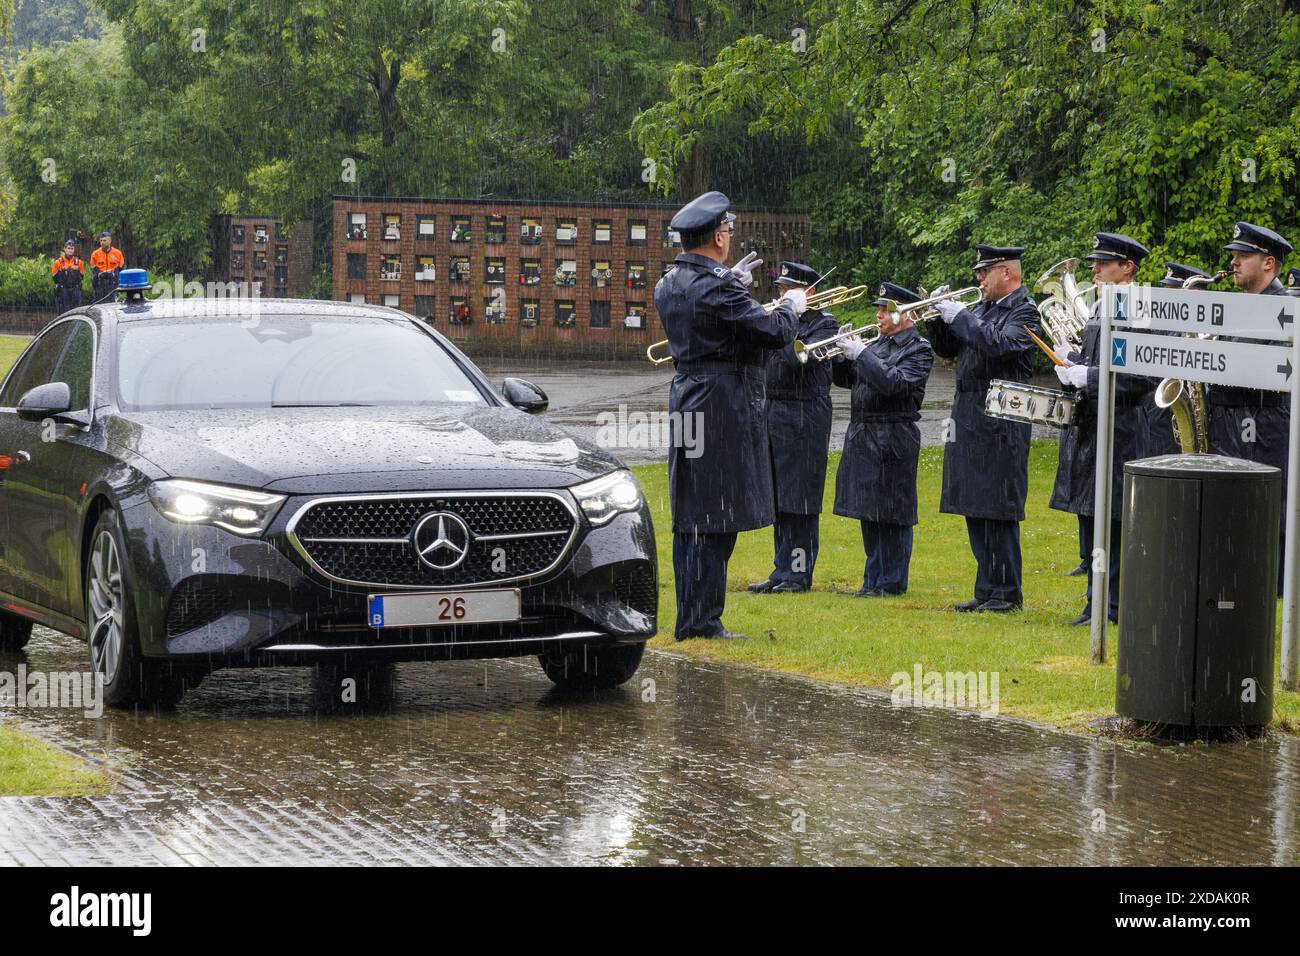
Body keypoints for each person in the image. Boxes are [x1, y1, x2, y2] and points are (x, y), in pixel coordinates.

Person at [655, 190, 802, 640]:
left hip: (687, 397)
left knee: (691, 512)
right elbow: (773, 332)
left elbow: (710, 318)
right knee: (716, 516)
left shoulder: (669, 282)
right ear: (719, 238)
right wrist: (793, 308)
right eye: (728, 233)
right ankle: (703, 620)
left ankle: (692, 616)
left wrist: (731, 284)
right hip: (721, 403)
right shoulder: (716, 285)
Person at [928, 244, 1040, 613]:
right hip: (971, 415)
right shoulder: (981, 309)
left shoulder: (1025, 311)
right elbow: (948, 349)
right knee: (974, 504)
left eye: (985, 271)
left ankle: (1006, 592)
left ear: (1006, 272)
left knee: (998, 507)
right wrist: (937, 317)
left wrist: (962, 317)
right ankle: (986, 587)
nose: (978, 278)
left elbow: (999, 345)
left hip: (1002, 419)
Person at [1050, 232, 1151, 626]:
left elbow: (1137, 377)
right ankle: (1096, 602)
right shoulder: (1101, 307)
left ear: (1127, 267)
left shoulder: (1139, 309)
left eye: (1103, 263)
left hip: (1123, 428)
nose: (1094, 269)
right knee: (1093, 519)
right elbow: (1102, 362)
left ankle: (1113, 606)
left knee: (1115, 523)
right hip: (1095, 428)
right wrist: (1070, 361)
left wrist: (1085, 376)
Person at [830, 283, 934, 596]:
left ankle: (891, 582)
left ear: (908, 313)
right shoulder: (877, 344)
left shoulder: (918, 348)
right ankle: (872, 580)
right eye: (878, 309)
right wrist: (841, 353)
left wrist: (862, 354)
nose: (879, 315)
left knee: (893, 511)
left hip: (894, 434)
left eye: (886, 310)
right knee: (868, 509)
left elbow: (895, 384)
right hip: (864, 431)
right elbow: (846, 380)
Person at [1207, 221, 1293, 593]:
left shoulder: (1286, 308)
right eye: (1235, 255)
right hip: (1232, 421)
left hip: (1264, 423)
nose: (1234, 262)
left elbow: (1266, 371)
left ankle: (1271, 584)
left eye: (1244, 256)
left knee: (1266, 509)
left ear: (1269, 263)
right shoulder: (1239, 305)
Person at [747, 261, 840, 594]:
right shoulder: (783, 321)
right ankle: (780, 569)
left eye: (790, 290)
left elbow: (794, 359)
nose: (783, 295)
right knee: (779, 499)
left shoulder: (825, 324)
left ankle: (798, 573)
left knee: (800, 501)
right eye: (781, 290)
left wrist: (784, 320)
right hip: (774, 412)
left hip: (805, 414)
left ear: (809, 291)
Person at [51, 238, 84, 314]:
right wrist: (62, 271)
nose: (70, 250)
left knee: (76, 313)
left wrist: (75, 271)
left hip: (75, 291)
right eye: (68, 248)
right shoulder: (57, 262)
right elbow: (55, 279)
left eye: (72, 248)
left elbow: (81, 278)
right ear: (64, 249)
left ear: (74, 249)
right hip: (63, 291)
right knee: (63, 313)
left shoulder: (79, 262)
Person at [90, 230, 124, 303]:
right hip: (100, 284)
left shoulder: (118, 253)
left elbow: (120, 269)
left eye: (104, 240)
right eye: (101, 240)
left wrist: (113, 274)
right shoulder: (95, 254)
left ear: (110, 241)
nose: (102, 242)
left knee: (113, 306)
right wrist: (100, 273)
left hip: (112, 284)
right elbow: (94, 270)